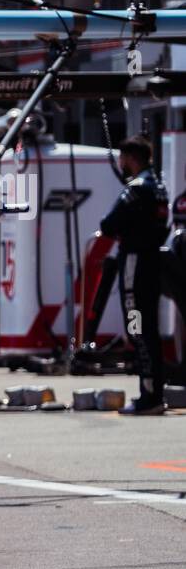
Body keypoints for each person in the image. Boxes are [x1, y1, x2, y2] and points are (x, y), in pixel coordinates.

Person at [99, 136, 170, 415]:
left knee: (137, 328)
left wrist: (122, 233)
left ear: (130, 157)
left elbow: (108, 224)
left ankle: (148, 397)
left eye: (122, 157)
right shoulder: (160, 187)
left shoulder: (136, 189)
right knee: (148, 328)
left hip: (134, 266)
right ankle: (154, 393)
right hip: (152, 263)